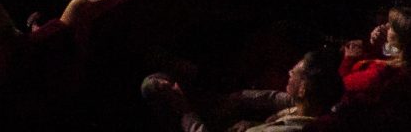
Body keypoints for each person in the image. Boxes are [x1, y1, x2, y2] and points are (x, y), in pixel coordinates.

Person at [143, 48, 344, 131]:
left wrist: (185, 111)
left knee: (151, 89)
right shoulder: (310, 107)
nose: (290, 71)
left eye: (296, 72)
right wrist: (237, 103)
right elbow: (271, 98)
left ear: (303, 88)